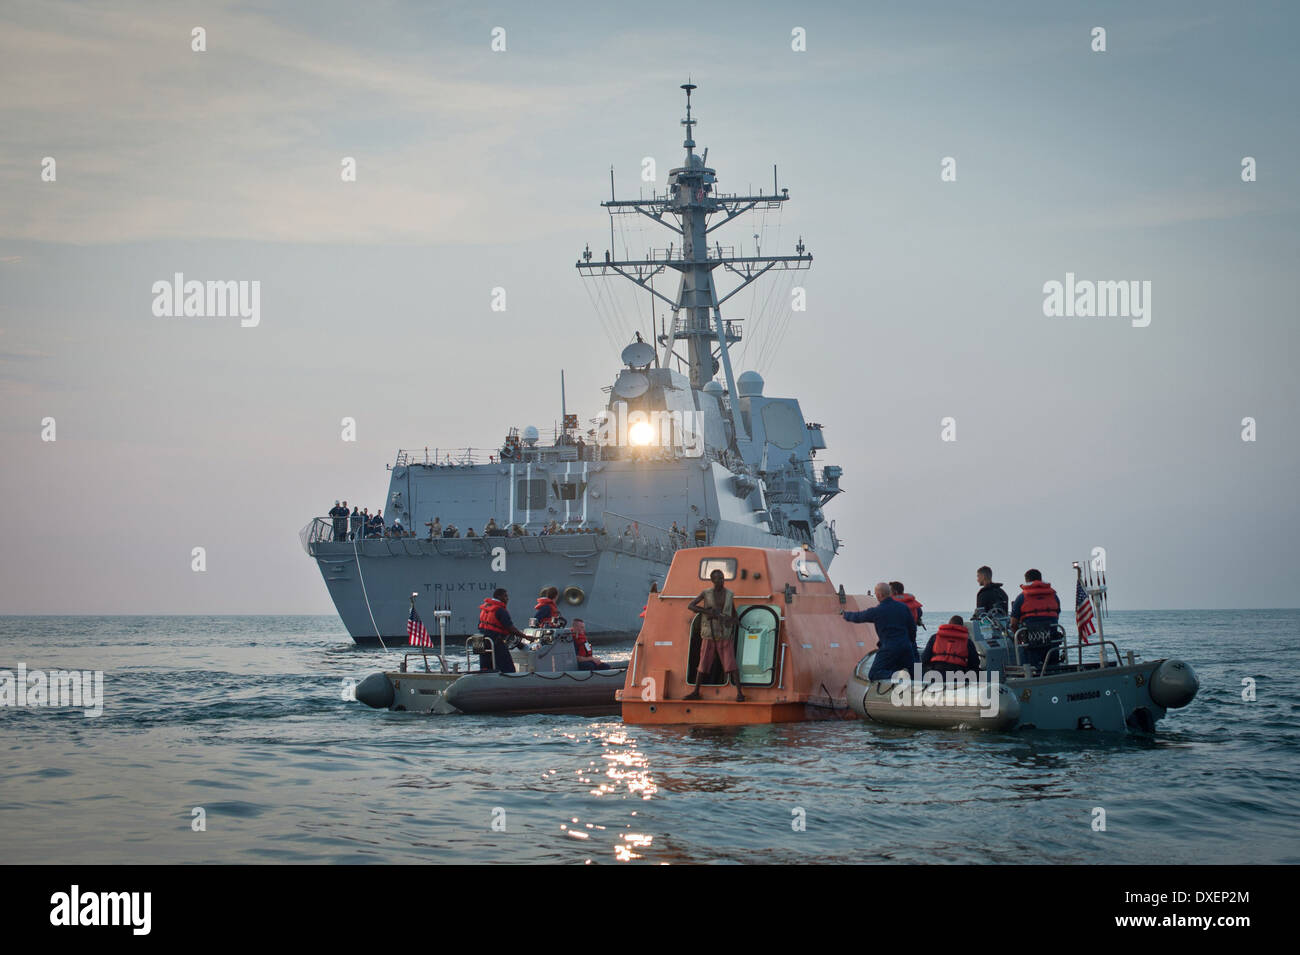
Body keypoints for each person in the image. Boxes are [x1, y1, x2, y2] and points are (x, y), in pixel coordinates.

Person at [684, 569, 744, 701]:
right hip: (709, 634)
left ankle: (740, 693)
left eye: (722, 578)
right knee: (703, 664)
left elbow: (732, 612)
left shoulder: (729, 594)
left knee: (731, 664)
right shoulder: (706, 593)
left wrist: (735, 620)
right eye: (718, 578)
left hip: (724, 635)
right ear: (713, 580)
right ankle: (696, 692)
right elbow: (691, 606)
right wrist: (707, 612)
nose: (720, 580)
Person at [843, 582, 919, 681]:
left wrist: (845, 615)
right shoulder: (903, 607)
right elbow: (912, 628)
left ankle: (898, 677)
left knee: (874, 673)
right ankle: (920, 691)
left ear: (879, 595)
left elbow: (859, 617)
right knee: (915, 674)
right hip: (906, 646)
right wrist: (910, 642)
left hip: (889, 648)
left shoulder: (877, 611)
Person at [1010, 569, 1062, 669]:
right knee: (1053, 668)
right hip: (1052, 641)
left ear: (1026, 581)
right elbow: (1056, 615)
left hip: (1031, 644)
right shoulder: (1054, 596)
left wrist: (1019, 638)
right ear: (1041, 579)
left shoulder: (1021, 598)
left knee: (1027, 665)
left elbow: (1013, 623)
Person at [476, 588, 530, 673]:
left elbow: (480, 625)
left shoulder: (485, 608)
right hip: (495, 641)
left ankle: (485, 677)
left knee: (485, 667)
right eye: (505, 596)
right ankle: (510, 680)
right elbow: (511, 628)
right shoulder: (500, 610)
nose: (507, 598)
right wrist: (526, 637)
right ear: (499, 596)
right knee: (508, 667)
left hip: (480, 640)